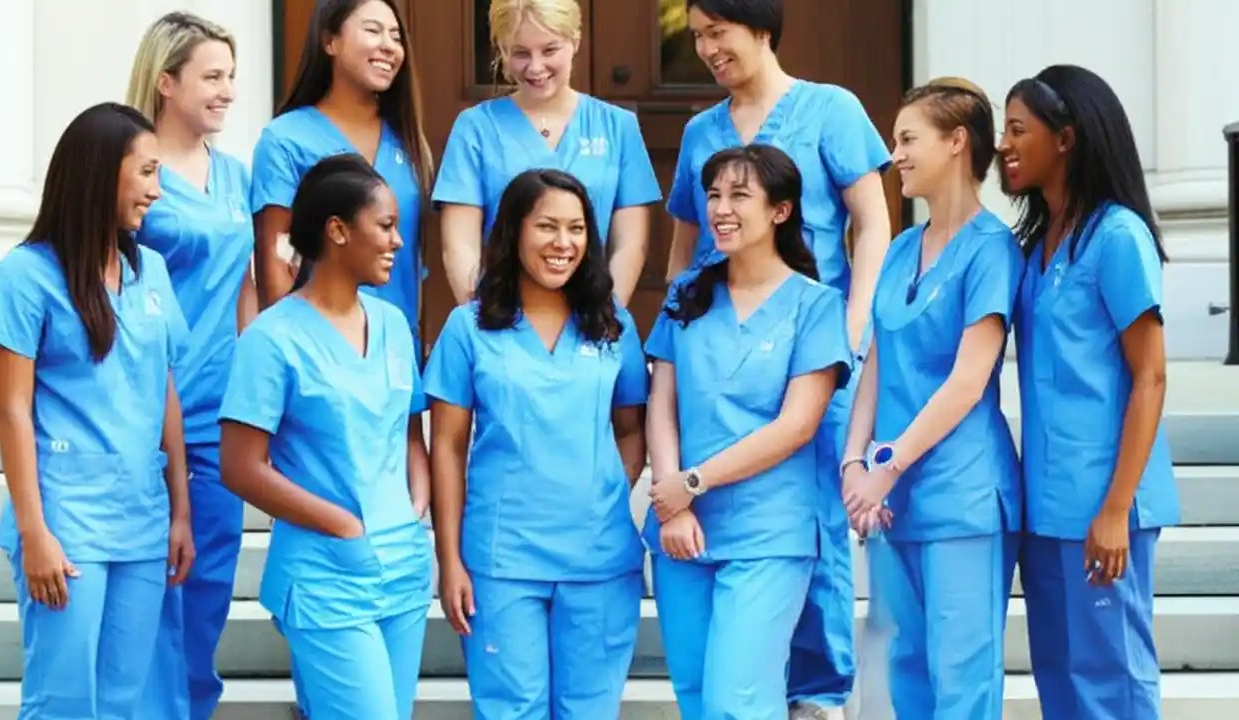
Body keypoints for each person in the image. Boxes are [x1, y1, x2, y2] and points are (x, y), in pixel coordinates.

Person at [666, 3, 894, 716]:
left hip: (808, 351)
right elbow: (685, 246)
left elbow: (874, 222)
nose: (707, 48)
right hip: (715, 344)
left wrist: (852, 334)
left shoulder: (830, 108)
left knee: (814, 525)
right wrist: (674, 324)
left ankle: (817, 696)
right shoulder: (702, 131)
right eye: (698, 36)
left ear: (760, 27)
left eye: (717, 33)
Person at [0, 102, 192, 718]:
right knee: (63, 702)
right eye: (146, 172)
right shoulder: (25, 275)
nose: (157, 188)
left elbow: (163, 391)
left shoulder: (149, 271)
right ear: (100, 173)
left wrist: (180, 510)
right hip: (66, 521)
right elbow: (13, 412)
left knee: (123, 703)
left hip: (142, 520)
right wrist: (35, 532)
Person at [425, 168, 648, 718]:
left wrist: (597, 494)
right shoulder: (468, 327)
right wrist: (449, 559)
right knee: (511, 711)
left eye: (576, 228)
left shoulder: (613, 324)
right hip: (502, 562)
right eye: (547, 226)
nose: (563, 243)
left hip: (599, 560)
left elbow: (631, 429)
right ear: (513, 231)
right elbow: (448, 449)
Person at [219, 154, 432, 720]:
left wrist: (415, 508)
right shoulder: (271, 340)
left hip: (403, 565)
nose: (397, 240)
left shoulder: (391, 323)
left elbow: (410, 431)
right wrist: (342, 524)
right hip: (324, 574)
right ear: (337, 230)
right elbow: (241, 467)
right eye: (384, 226)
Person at [645, 144, 851, 720]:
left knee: (736, 701)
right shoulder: (687, 293)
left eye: (739, 195)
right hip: (681, 529)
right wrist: (671, 501)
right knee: (694, 694)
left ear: (780, 211)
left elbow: (797, 425)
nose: (720, 209)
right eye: (713, 195)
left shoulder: (815, 306)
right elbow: (663, 402)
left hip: (768, 532)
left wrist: (692, 481)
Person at [837, 77, 1022, 719]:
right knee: (907, 671)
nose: (896, 155)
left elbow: (969, 379)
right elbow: (876, 367)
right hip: (895, 500)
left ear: (957, 142)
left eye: (908, 139)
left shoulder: (992, 250)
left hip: (962, 495)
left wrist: (885, 469)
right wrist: (854, 463)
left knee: (960, 678)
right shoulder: (899, 249)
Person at [999, 64, 1179, 719]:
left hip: (1107, 503)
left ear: (1066, 139)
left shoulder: (1118, 237)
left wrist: (1115, 509)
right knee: (1060, 674)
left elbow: (1151, 376)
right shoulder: (1032, 246)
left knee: (1114, 678)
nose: (1004, 145)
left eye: (1019, 130)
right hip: (1045, 507)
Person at [125, 12, 254, 719]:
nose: (228, 91)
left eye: (231, 76)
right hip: (147, 411)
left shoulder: (237, 176)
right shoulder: (132, 172)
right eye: (212, 76)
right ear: (166, 81)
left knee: (205, 593)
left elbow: (248, 290)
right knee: (153, 599)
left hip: (221, 412)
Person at [435, 0, 661, 305]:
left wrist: (606, 317)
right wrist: (482, 321)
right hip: (504, 312)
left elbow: (630, 244)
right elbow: (459, 244)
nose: (536, 67)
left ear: (574, 42)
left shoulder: (617, 126)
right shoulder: (475, 127)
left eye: (549, 50)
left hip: (589, 313)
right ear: (502, 51)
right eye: (520, 53)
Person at [251, 0, 432, 347]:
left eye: (396, 36)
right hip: (318, 353)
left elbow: (414, 267)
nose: (388, 46)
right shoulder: (286, 139)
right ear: (329, 41)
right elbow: (276, 266)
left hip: (395, 353)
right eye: (373, 30)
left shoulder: (408, 142)